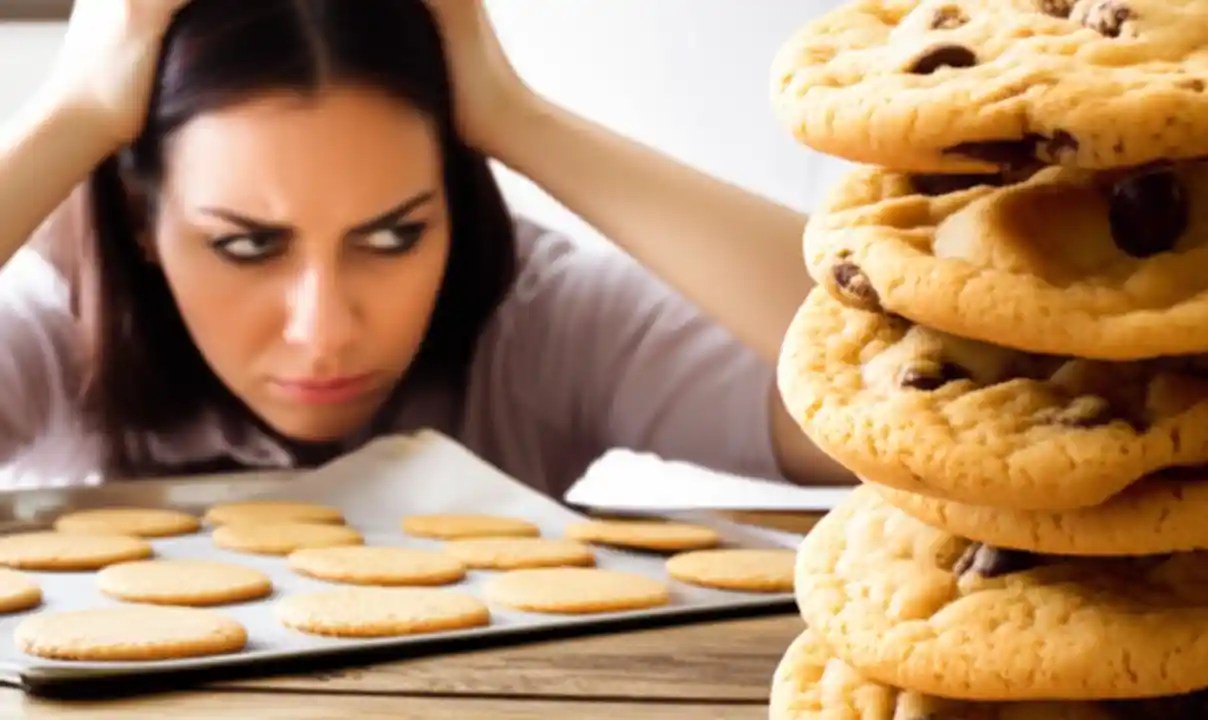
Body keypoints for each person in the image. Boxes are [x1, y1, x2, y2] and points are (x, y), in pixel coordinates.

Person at [0, 0, 852, 497]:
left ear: (454, 199)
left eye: (392, 235)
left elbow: (922, 385)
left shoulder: (535, 325)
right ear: (143, 221)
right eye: (249, 245)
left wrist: (520, 117)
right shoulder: (51, 338)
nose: (325, 331)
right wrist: (71, 115)